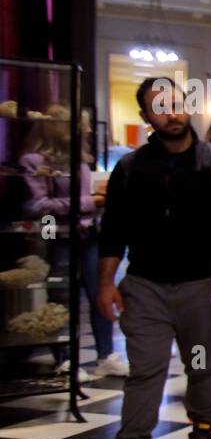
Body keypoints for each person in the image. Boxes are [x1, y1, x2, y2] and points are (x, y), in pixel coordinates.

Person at [93, 76, 211, 439]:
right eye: (160, 107)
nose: (172, 112)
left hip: (202, 288)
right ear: (147, 116)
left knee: (200, 361)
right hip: (145, 287)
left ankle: (202, 424)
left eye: (176, 103)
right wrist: (107, 284)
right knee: (146, 368)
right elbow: (113, 232)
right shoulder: (130, 169)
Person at [19, 116, 129, 378]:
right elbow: (38, 205)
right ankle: (65, 358)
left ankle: (106, 355)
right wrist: (90, 200)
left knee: (101, 291)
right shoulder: (33, 161)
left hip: (88, 233)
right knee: (61, 297)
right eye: (85, 124)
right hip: (57, 234)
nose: (90, 130)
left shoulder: (79, 160)